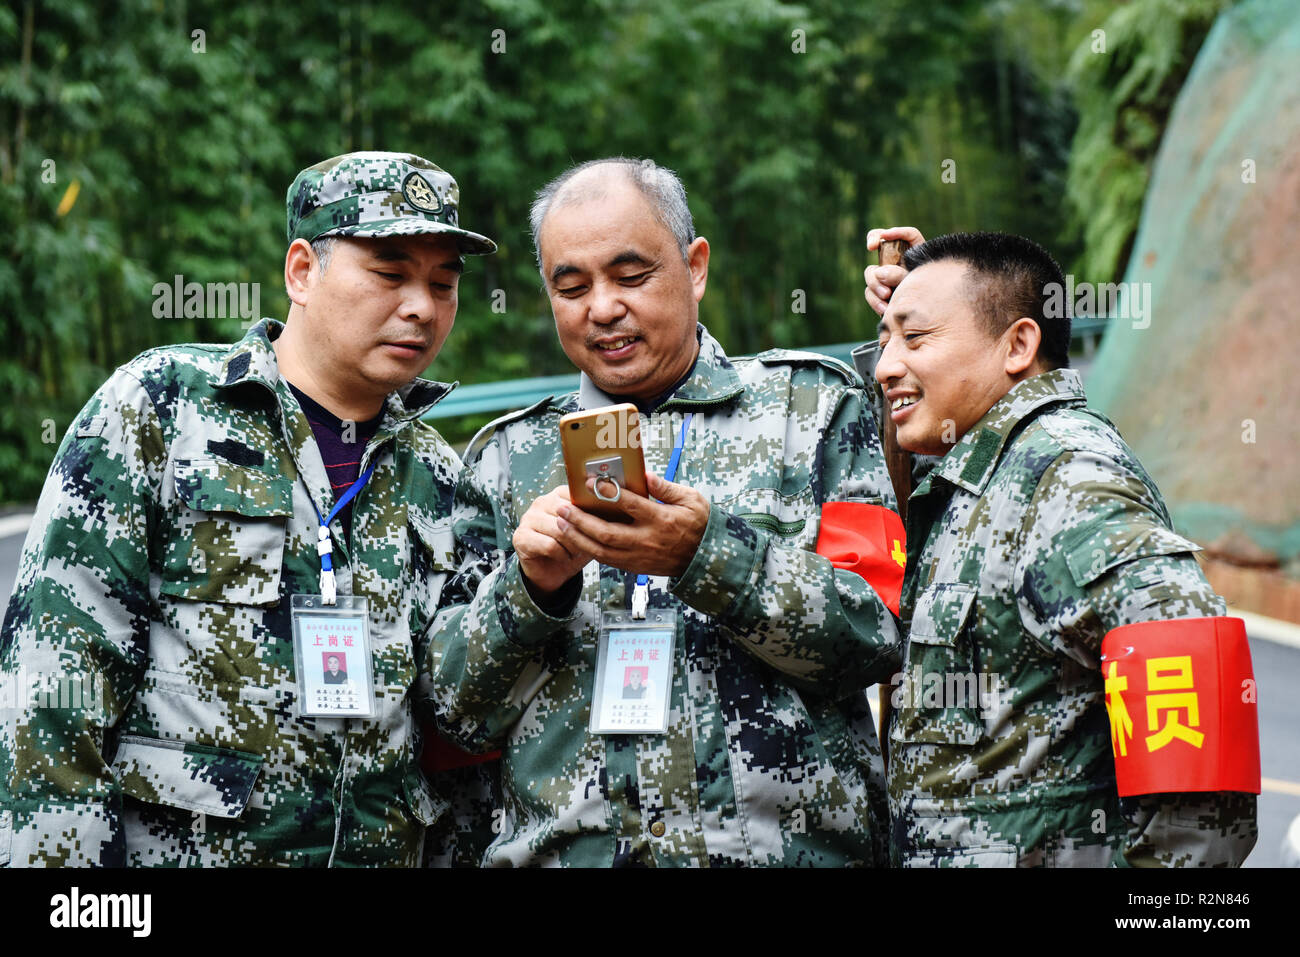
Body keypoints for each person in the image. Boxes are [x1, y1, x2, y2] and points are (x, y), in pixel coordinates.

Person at [0, 151, 496, 867]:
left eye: (443, 283)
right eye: (390, 274)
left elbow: (458, 730)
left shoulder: (440, 477)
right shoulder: (163, 410)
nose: (421, 305)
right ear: (302, 271)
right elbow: (53, 684)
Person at [425, 157, 905, 867]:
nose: (603, 307)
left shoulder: (810, 408)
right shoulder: (504, 458)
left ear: (695, 266)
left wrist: (705, 553)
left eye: (631, 275)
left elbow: (875, 632)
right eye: (572, 285)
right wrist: (529, 589)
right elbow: (453, 716)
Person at [866, 228, 1258, 866]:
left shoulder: (1065, 474)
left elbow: (1192, 668)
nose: (885, 366)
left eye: (915, 338)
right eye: (886, 342)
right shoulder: (980, 475)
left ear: (1018, 344)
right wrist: (916, 306)